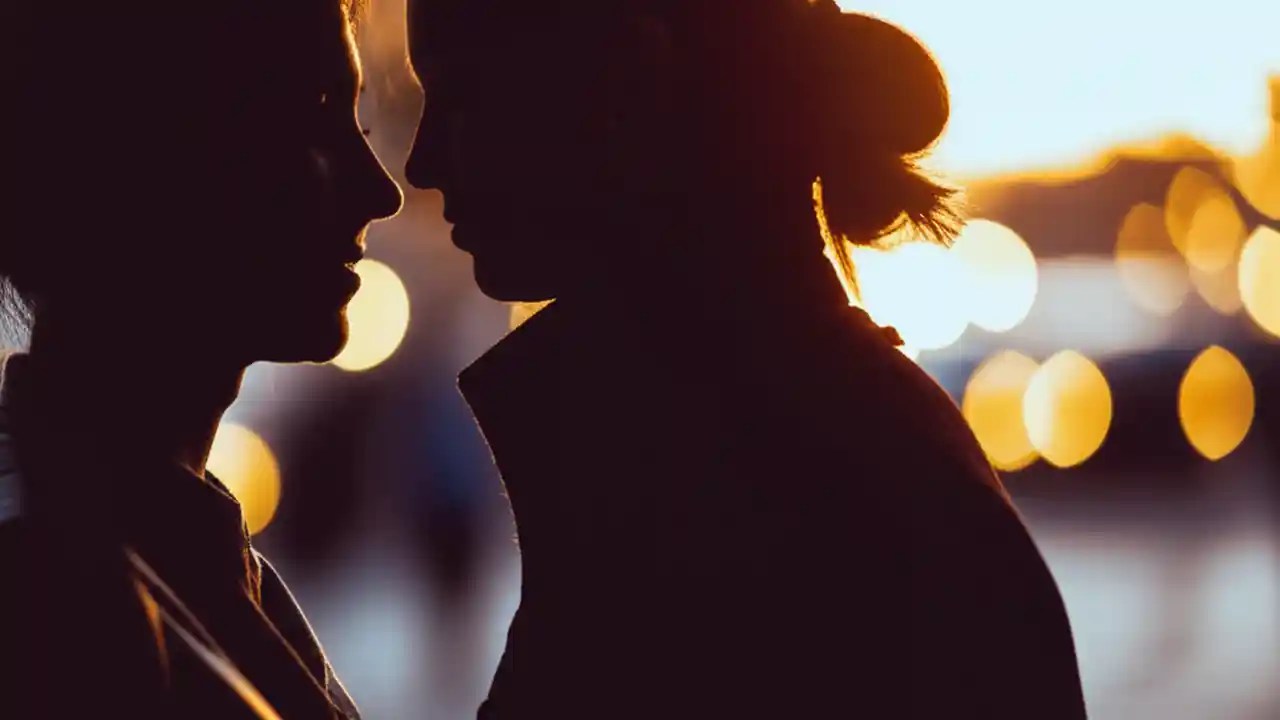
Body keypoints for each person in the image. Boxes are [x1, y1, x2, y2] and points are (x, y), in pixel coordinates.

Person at [404, 1, 1087, 717]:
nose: (422, 164)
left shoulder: (756, 508)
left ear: (626, 85)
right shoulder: (780, 453)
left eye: (464, 95)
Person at [0, 1, 401, 717]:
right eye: (314, 117)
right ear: (143, 152)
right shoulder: (61, 605)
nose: (382, 191)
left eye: (359, 124)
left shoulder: (178, 556)